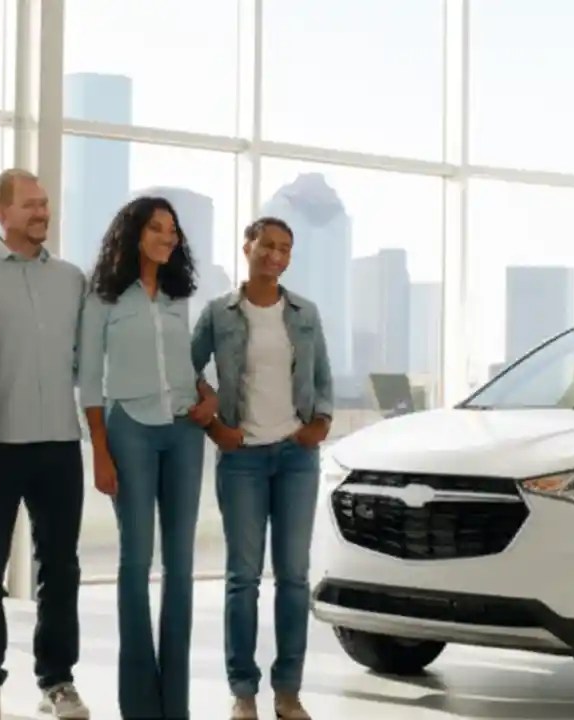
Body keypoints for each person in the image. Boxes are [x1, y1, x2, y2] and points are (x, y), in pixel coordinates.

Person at [0, 169, 91, 720]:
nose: (42, 213)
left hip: (58, 441)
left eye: (46, 204)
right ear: (0, 213)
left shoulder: (73, 279)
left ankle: (58, 682)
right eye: (30, 205)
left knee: (61, 567)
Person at [77, 196, 217, 718]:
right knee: (135, 563)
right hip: (129, 430)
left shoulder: (179, 297)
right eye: (157, 228)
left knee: (180, 567)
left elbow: (181, 364)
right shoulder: (103, 298)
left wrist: (209, 394)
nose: (167, 237)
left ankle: (173, 704)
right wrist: (100, 452)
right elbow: (90, 381)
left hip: (183, 431)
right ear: (134, 233)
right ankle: (139, 704)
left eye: (173, 230)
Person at [191, 217, 333, 720]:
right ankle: (243, 691)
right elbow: (188, 374)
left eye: (285, 248)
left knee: (294, 577)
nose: (276, 255)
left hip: (297, 456)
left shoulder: (304, 313)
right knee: (243, 578)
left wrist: (322, 422)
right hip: (242, 458)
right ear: (247, 246)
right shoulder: (218, 313)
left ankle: (288, 691)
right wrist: (214, 429)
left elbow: (322, 376)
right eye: (267, 245)